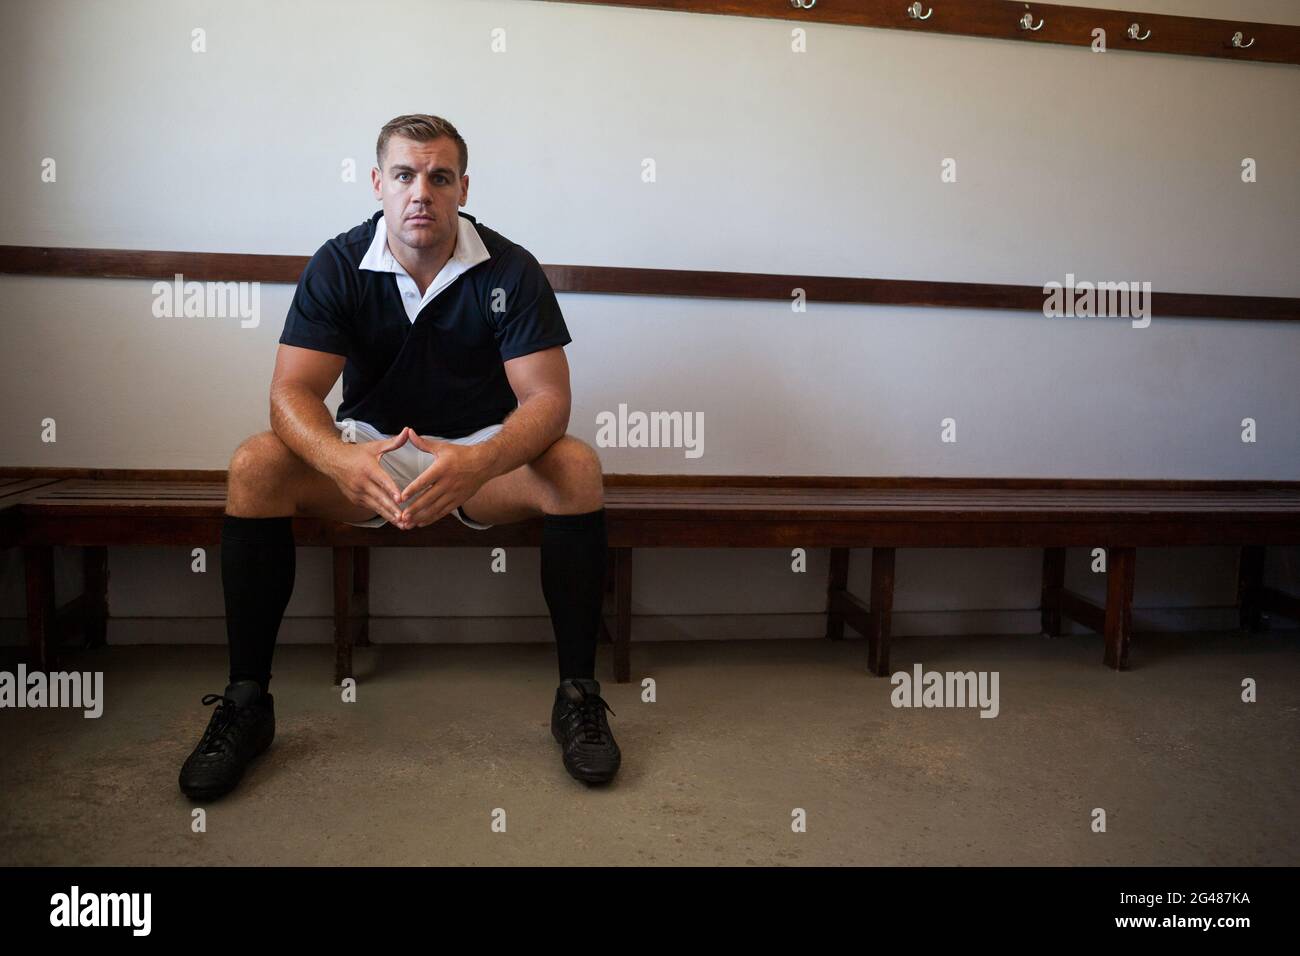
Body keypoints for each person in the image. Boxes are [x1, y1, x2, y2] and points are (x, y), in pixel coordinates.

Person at [178, 113, 619, 800]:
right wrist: (338, 460)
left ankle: (577, 697)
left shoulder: (511, 268)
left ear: (463, 187)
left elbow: (547, 403)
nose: (423, 192)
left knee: (577, 466)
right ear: (378, 182)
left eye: (440, 177)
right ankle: (246, 702)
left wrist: (479, 461)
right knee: (255, 465)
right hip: (369, 456)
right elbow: (291, 392)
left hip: (477, 458)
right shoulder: (339, 262)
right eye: (407, 175)